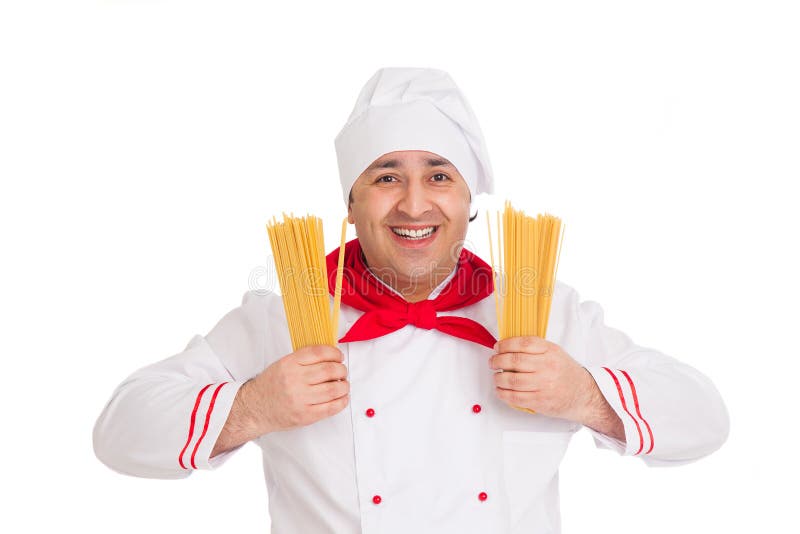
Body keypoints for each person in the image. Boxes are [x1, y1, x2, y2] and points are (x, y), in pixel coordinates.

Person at [93, 67, 729, 533]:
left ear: (468, 202)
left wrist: (585, 396)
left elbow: (705, 421)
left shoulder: (542, 311)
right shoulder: (281, 316)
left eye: (440, 176)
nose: (416, 204)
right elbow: (118, 433)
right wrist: (251, 407)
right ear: (351, 202)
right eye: (386, 177)